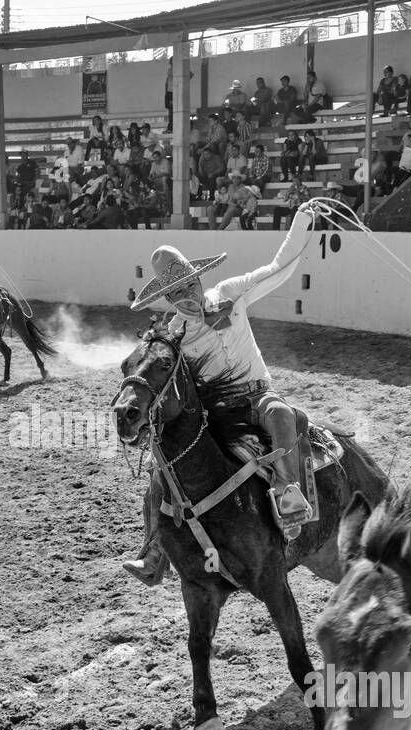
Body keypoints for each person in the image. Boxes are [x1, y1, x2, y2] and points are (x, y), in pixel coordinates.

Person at [120, 217, 320, 585]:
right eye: (177, 293)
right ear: (168, 299)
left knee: (280, 415)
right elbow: (166, 382)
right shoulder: (173, 334)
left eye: (189, 286)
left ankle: (288, 496)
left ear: (199, 280)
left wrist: (302, 220)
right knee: (160, 467)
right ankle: (154, 551)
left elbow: (279, 268)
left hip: (258, 393)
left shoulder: (230, 292)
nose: (187, 296)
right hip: (216, 411)